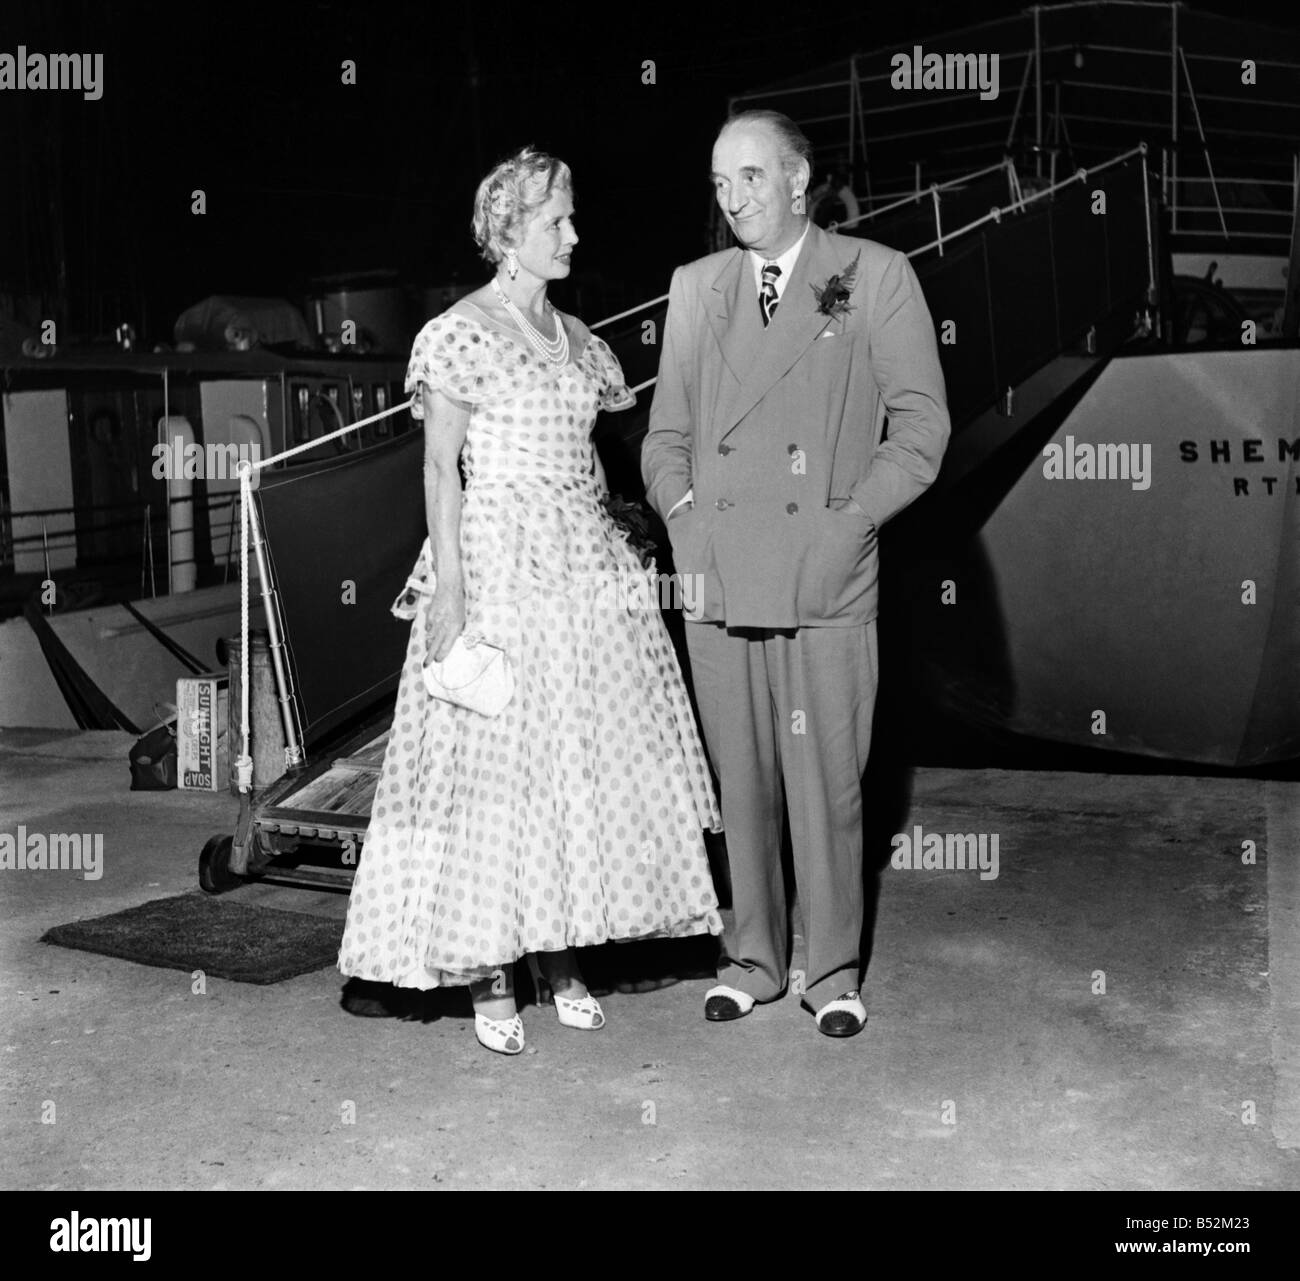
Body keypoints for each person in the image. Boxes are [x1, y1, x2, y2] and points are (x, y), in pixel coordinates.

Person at [338, 147, 723, 1055]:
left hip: (579, 571)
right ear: (510, 233)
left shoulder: (581, 339)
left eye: (572, 217)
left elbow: (588, 460)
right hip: (497, 563)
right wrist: (451, 590)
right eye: (557, 220)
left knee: (571, 768)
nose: (574, 234)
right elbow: (441, 470)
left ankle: (559, 952)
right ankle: (489, 969)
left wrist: (620, 548)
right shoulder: (459, 333)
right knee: (495, 773)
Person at [641, 110, 950, 1039]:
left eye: (751, 177)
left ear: (799, 179)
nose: (733, 198)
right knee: (741, 783)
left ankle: (833, 970)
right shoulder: (695, 288)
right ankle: (753, 958)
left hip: (824, 575)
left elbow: (923, 430)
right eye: (720, 181)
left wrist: (850, 522)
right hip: (719, 575)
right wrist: (685, 521)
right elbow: (663, 437)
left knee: (827, 786)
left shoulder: (873, 274)